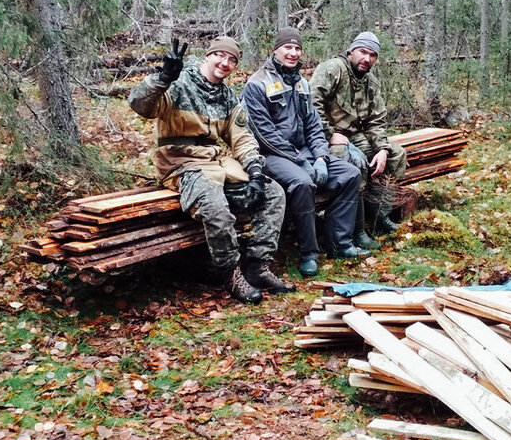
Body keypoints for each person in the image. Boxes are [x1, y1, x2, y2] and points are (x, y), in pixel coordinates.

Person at [129, 36, 292, 303]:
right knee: (214, 206)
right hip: (180, 163)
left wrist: (255, 172)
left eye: (232, 60)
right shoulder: (179, 83)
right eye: (220, 56)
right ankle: (231, 274)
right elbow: (140, 106)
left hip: (216, 162)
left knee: (273, 193)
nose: (225, 63)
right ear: (208, 56)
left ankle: (259, 266)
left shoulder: (227, 95)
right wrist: (162, 78)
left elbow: (242, 137)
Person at [241, 27, 370, 278]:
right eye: (288, 47)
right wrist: (302, 161)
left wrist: (321, 157)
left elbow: (313, 125)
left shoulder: (301, 84)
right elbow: (265, 134)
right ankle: (309, 253)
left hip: (305, 151)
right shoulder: (257, 84)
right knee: (302, 183)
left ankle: (340, 243)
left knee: (351, 174)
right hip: (271, 154)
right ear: (276, 49)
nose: (293, 53)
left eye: (297, 48)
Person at [311, 31, 408, 240]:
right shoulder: (333, 69)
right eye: (363, 52)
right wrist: (329, 134)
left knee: (396, 154)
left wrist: (382, 148)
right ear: (351, 51)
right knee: (355, 164)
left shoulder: (370, 81)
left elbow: (376, 119)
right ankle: (357, 230)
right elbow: (311, 104)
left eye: (372, 55)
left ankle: (379, 215)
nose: (367, 59)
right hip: (324, 138)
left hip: (355, 136)